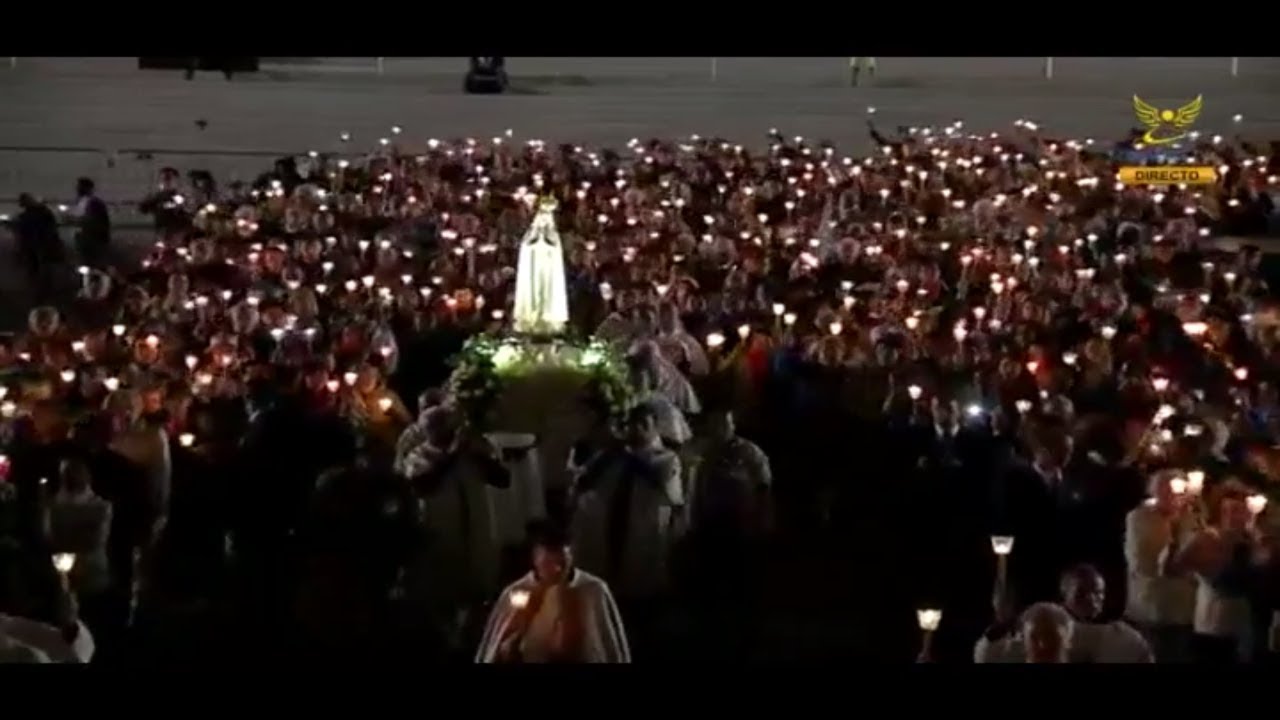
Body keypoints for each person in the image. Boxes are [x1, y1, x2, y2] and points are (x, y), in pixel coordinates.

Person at [476, 523, 630, 663]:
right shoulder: (517, 592)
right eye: (548, 563)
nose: (556, 570)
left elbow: (610, 647)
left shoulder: (593, 590)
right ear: (535, 559)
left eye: (562, 563)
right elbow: (495, 649)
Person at [1172, 485, 1268, 663]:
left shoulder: (1254, 541)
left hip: (1245, 630)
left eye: (1239, 510)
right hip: (1212, 629)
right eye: (1227, 510)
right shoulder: (1206, 538)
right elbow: (1174, 568)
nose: (1232, 516)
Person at [978, 564, 1152, 662]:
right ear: (1065, 594)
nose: (1092, 599)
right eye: (1081, 593)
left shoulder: (1120, 635)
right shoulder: (1045, 623)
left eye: (1098, 593)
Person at [1124, 472, 1197, 662]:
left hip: (1182, 610)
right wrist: (1174, 541)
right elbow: (1143, 566)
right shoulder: (1139, 518)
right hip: (1151, 608)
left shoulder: (1190, 518)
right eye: (1166, 491)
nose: (1173, 497)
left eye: (1178, 492)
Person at [48, 457, 113, 634]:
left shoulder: (54, 506)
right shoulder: (102, 507)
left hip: (79, 575)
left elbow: (50, 538)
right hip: (89, 575)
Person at [513, 197, 570, 335]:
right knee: (533, 293)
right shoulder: (530, 235)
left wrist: (546, 242)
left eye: (546, 219)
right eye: (541, 218)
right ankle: (531, 317)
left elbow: (556, 250)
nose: (544, 221)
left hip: (548, 270)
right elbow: (526, 248)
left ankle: (548, 318)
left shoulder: (553, 235)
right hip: (533, 269)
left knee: (547, 293)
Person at [8, 193, 65, 301]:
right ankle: (44, 293)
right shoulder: (42, 213)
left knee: (37, 270)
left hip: (36, 246)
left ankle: (39, 293)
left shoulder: (28, 216)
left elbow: (23, 231)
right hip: (41, 245)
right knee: (43, 270)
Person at [72, 177, 111, 268]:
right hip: (84, 240)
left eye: (80, 187)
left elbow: (92, 221)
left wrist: (76, 221)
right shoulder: (80, 202)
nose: (77, 189)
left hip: (92, 241)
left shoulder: (94, 203)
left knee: (93, 266)